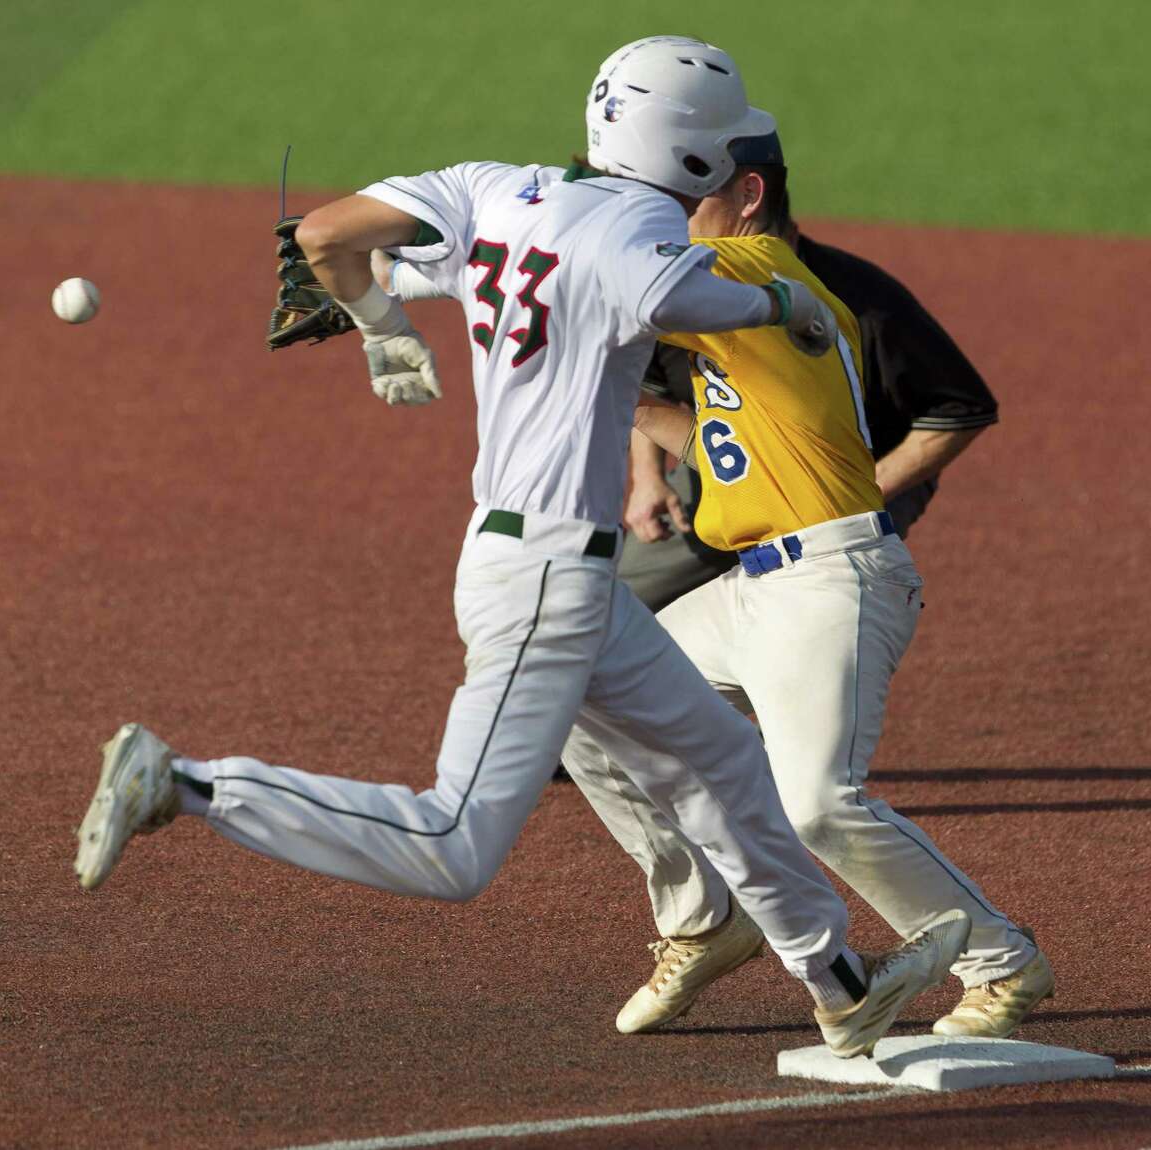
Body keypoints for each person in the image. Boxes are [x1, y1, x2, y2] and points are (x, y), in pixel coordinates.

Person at [72, 36, 972, 1060]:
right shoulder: (644, 247)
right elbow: (685, 298)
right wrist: (788, 302)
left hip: (551, 571)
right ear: (696, 156)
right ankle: (186, 784)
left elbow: (325, 235)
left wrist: (378, 321)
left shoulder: (494, 189)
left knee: (721, 764)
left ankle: (839, 979)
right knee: (455, 841)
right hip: (545, 577)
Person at [553, 120, 1053, 1039]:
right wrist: (632, 403)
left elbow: (601, 287)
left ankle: (1002, 961)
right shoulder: (738, 320)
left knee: (819, 803)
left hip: (833, 580)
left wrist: (436, 251)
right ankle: (704, 922)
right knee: (584, 689)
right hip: (753, 589)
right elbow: (722, 443)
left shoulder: (757, 278)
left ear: (747, 198)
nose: (659, 211)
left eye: (681, 190)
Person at [620, 200, 999, 612]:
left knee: (810, 615)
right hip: (730, 461)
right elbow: (651, 382)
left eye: (696, 199)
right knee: (618, 598)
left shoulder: (858, 296)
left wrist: (856, 488)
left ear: (749, 197)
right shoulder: (693, 292)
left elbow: (960, 406)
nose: (682, 212)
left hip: (863, 474)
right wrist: (648, 478)